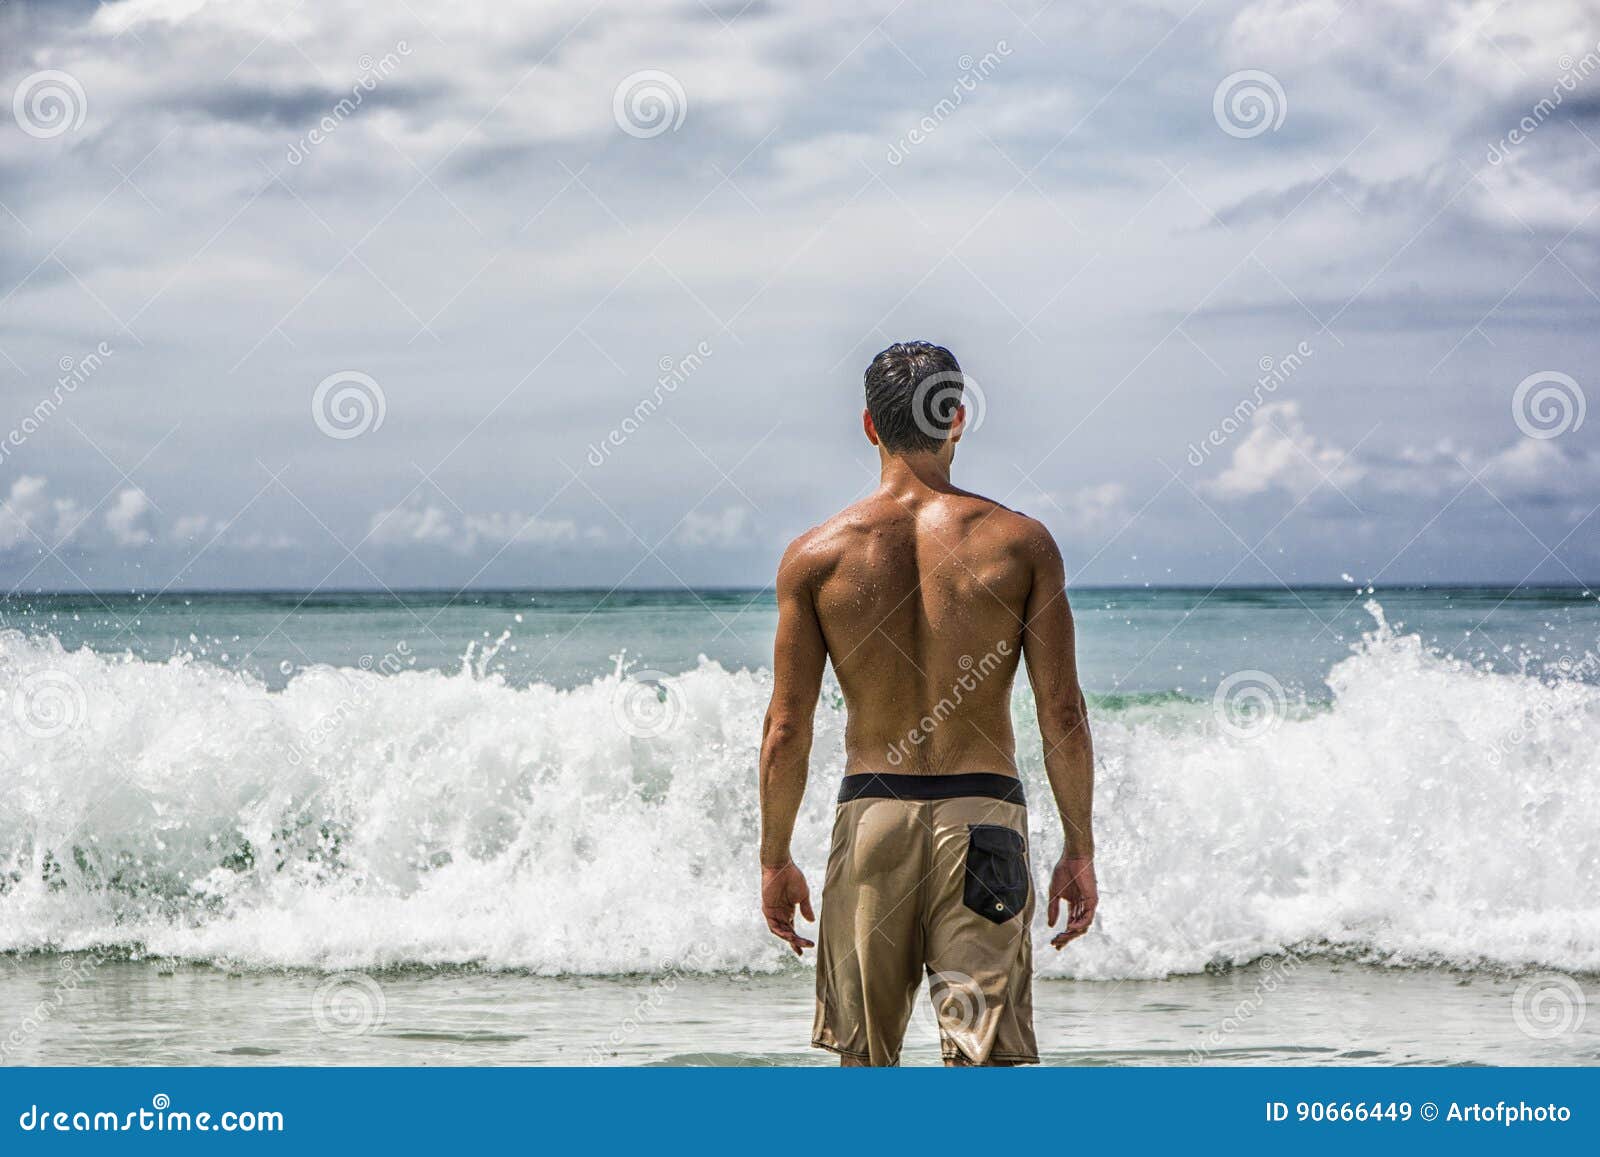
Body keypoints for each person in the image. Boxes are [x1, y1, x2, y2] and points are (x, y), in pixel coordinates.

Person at [757, 340, 1098, 1067]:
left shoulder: (816, 556)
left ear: (869, 426)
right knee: (987, 1063)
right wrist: (1079, 845)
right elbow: (1062, 712)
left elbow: (788, 728)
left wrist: (775, 856)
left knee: (866, 1064)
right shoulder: (1021, 544)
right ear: (957, 420)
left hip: (873, 823)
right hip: (986, 827)